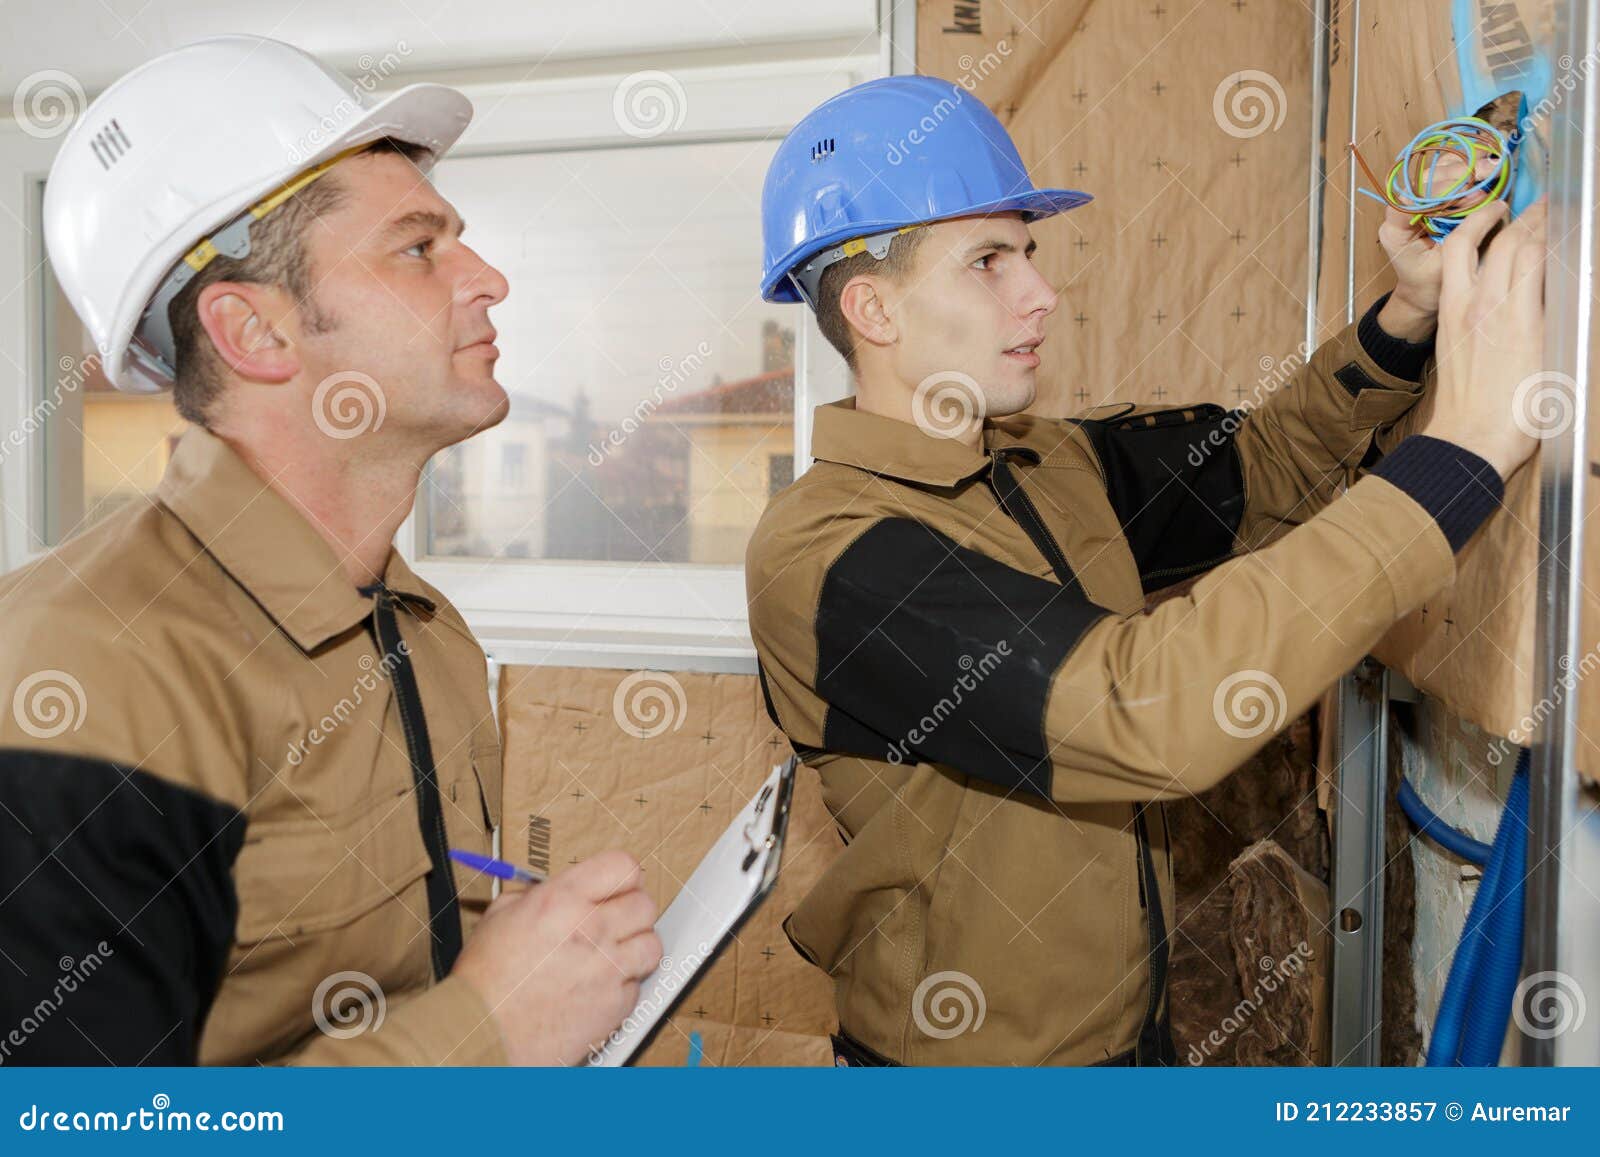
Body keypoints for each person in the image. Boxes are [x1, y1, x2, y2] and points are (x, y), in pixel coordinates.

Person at [745, 75, 1546, 1065]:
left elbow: (1269, 461)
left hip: (1136, 1039)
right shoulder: (830, 557)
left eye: (1027, 254)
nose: (1040, 291)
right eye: (988, 261)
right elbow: (1142, 709)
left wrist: (1405, 316)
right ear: (872, 307)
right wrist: (1461, 452)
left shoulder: (1042, 465)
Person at [0, 35, 661, 1066]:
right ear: (256, 333)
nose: (487, 278)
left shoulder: (427, 638)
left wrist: (541, 967)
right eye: (418, 247)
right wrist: (489, 1027)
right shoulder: (80, 663)